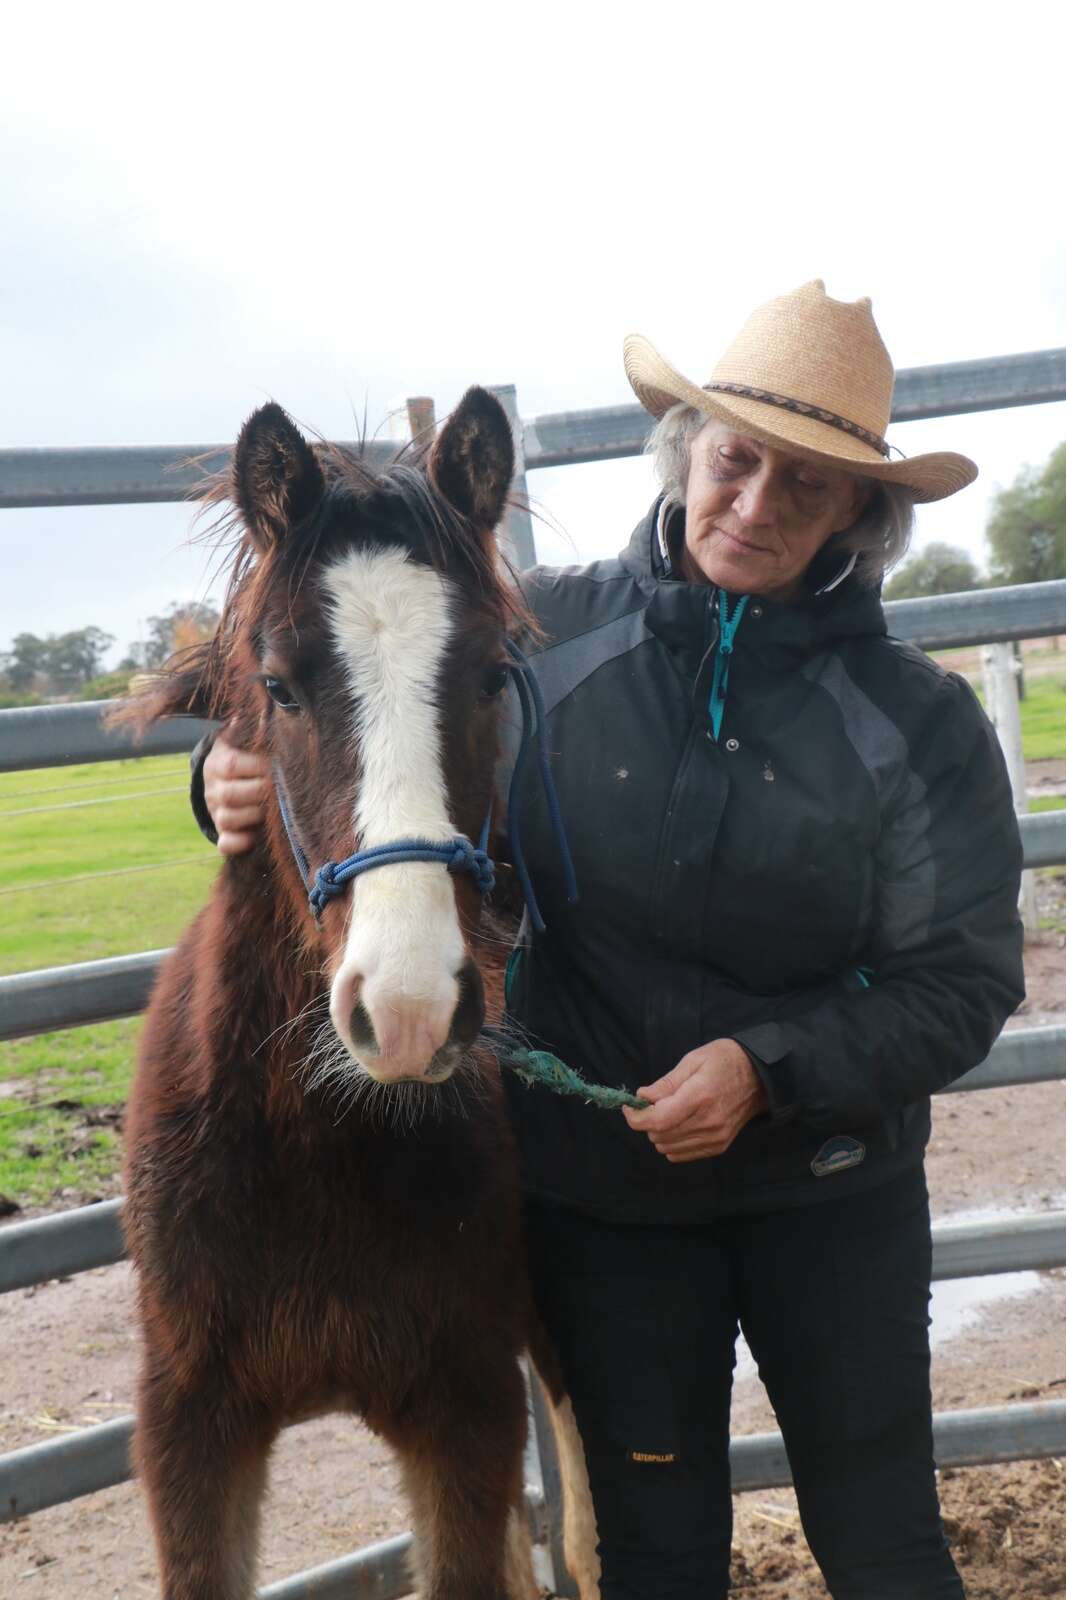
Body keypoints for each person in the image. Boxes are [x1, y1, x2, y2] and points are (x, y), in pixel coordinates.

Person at [193, 281, 1024, 1599]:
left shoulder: (917, 720)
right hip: (612, 1198)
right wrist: (218, 777)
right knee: (653, 1556)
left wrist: (768, 1068)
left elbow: (964, 980)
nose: (755, 504)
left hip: (830, 1185)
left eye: (807, 485)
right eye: (735, 459)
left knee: (883, 1542)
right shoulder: (534, 637)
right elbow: (355, 706)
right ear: (686, 451)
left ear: (858, 517)